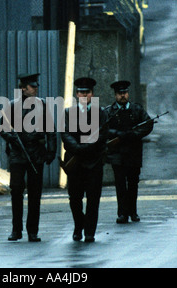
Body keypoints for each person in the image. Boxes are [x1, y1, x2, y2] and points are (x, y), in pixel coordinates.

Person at [0, 73, 56, 242]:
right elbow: (3, 128)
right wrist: (11, 138)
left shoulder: (43, 105)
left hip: (36, 152)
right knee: (16, 190)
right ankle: (16, 230)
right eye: (32, 86)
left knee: (35, 193)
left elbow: (51, 131)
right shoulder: (11, 106)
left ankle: (33, 230)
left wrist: (51, 152)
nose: (36, 88)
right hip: (18, 153)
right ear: (23, 88)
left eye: (36, 85)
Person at [61, 77, 108, 242]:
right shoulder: (68, 113)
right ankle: (78, 225)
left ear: (92, 94)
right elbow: (65, 133)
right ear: (76, 94)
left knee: (93, 199)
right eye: (80, 92)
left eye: (86, 92)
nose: (83, 95)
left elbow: (102, 135)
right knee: (74, 198)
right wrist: (77, 148)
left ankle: (89, 231)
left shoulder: (101, 113)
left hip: (93, 161)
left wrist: (87, 147)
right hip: (75, 161)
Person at [105, 80, 153, 223]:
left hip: (133, 152)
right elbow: (103, 129)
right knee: (120, 184)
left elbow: (148, 124)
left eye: (124, 93)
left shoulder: (137, 109)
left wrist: (133, 134)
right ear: (115, 95)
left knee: (133, 184)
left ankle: (133, 212)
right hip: (117, 153)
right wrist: (117, 133)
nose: (123, 96)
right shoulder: (108, 111)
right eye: (120, 94)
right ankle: (122, 213)